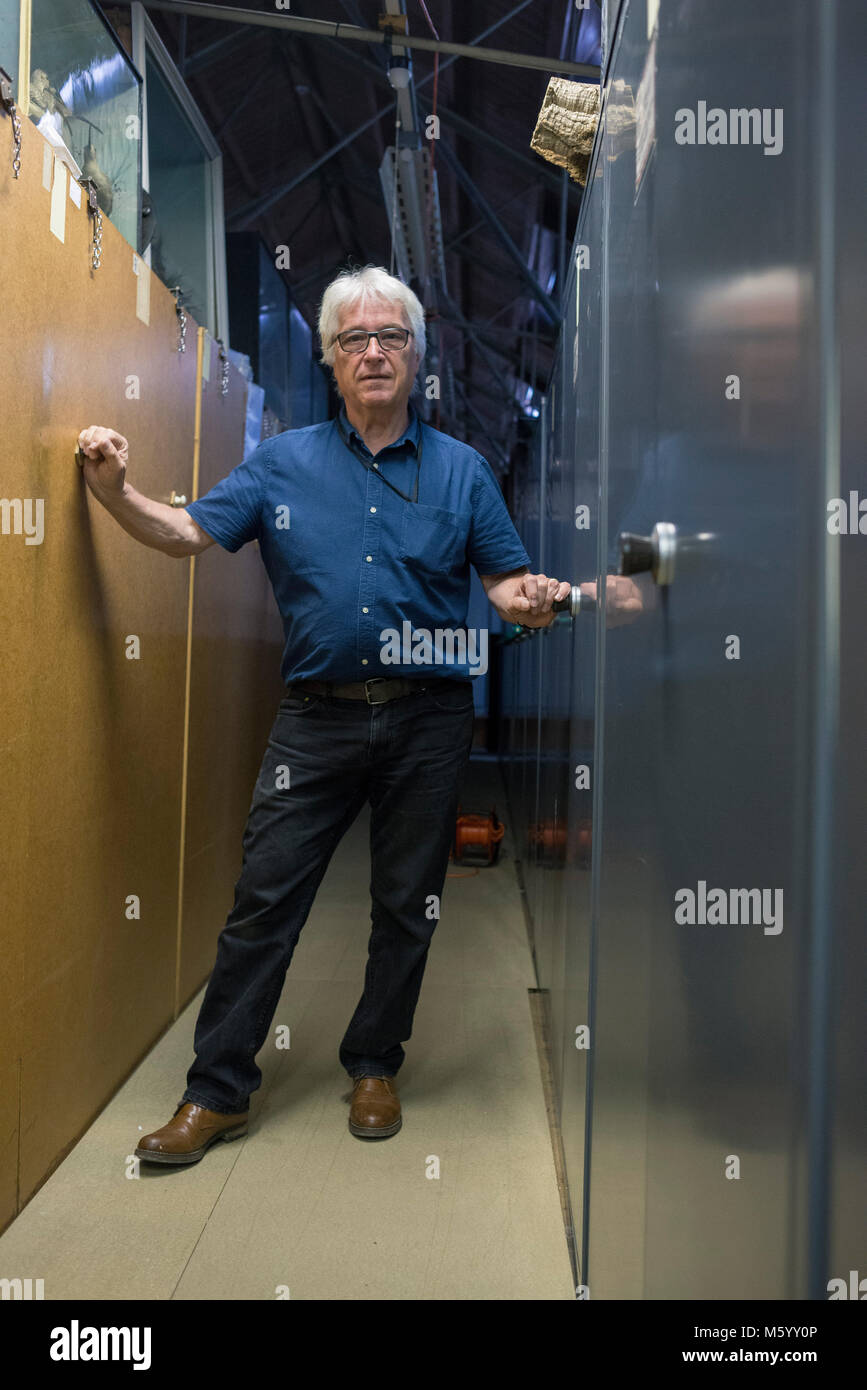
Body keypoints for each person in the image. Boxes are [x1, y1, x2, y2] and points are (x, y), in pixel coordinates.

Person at [77, 265, 570, 1162]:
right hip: (315, 718)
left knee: (405, 903)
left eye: (391, 337)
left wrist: (529, 598)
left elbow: (503, 587)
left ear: (417, 357)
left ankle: (374, 1063)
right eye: (355, 339)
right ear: (331, 358)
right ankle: (216, 1091)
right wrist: (114, 491)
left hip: (429, 719)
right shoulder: (280, 463)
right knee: (265, 899)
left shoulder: (462, 472)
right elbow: (188, 532)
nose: (373, 351)